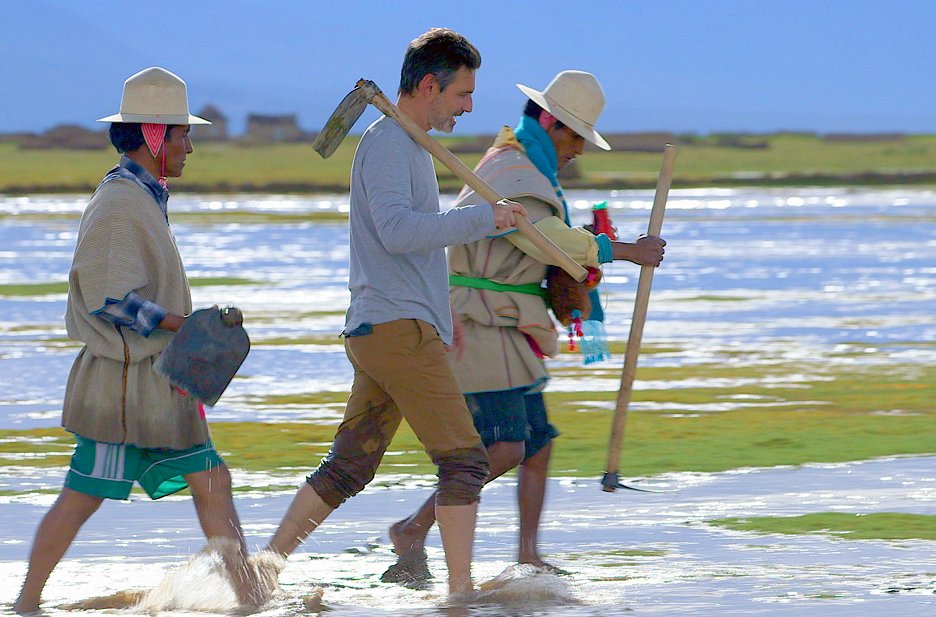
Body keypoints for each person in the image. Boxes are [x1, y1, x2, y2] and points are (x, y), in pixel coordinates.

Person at [262, 29, 526, 596]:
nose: (469, 105)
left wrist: (441, 313)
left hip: (394, 326)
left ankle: (262, 572)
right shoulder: (387, 143)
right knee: (465, 463)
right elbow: (400, 232)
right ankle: (462, 595)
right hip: (394, 329)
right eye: (462, 94)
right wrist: (488, 218)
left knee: (349, 467)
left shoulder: (410, 144)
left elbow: (412, 246)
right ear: (429, 85)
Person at [382, 70, 666, 584]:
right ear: (551, 124)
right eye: (575, 135)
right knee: (504, 446)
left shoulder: (524, 167)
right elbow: (540, 238)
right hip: (480, 323)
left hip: (510, 326)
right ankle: (412, 528)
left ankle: (528, 553)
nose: (578, 149)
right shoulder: (514, 171)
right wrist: (621, 250)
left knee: (537, 444)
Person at [13, 67, 264, 614]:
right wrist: (186, 325)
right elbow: (110, 298)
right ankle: (26, 603)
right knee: (84, 495)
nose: (190, 147)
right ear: (155, 137)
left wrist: (191, 327)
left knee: (211, 480)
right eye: (183, 135)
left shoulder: (142, 197)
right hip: (124, 383)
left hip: (156, 382)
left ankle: (252, 599)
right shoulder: (119, 204)